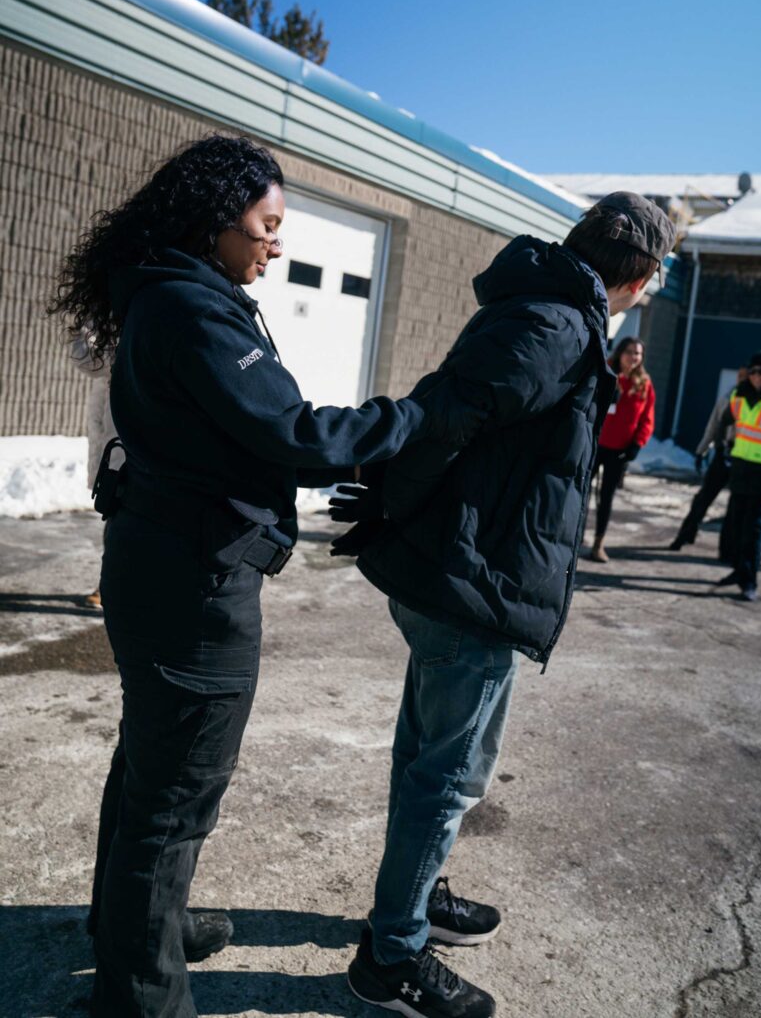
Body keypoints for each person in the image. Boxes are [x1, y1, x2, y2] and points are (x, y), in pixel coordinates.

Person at [48, 135, 483, 1018]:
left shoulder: (175, 294)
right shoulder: (191, 310)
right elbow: (296, 435)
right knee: (174, 799)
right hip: (193, 588)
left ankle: (134, 922)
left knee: (150, 764)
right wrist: (410, 417)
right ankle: (141, 995)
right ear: (217, 223)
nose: (276, 244)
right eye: (266, 225)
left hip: (163, 567)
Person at [329, 192, 676, 1018]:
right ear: (642, 272)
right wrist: (390, 499)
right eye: (657, 273)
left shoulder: (551, 311)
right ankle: (394, 954)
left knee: (432, 763)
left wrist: (395, 504)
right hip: (473, 583)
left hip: (463, 574)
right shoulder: (558, 326)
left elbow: (466, 418)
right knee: (446, 774)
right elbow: (449, 415)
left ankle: (413, 898)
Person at [589, 336, 655, 562]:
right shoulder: (607, 373)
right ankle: (573, 537)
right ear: (620, 353)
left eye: (638, 353)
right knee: (581, 492)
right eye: (629, 352)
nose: (633, 357)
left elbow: (647, 419)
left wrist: (637, 444)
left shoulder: (644, 384)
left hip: (619, 450)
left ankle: (599, 543)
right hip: (595, 444)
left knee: (606, 497)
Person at [668, 368, 746, 559]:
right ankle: (685, 534)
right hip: (722, 454)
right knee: (703, 498)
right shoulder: (728, 398)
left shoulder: (759, 403)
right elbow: (713, 425)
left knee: (735, 507)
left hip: (742, 458)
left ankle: (727, 549)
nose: (743, 379)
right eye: (741, 376)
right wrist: (701, 450)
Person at [711, 351, 761, 601]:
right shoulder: (739, 396)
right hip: (741, 469)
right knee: (736, 525)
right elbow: (725, 423)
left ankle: (749, 582)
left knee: (754, 530)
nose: (757, 376)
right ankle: (738, 571)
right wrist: (724, 448)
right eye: (754, 371)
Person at [71, 331, 118, 609]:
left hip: (134, 445)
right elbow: (89, 360)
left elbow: (93, 360)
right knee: (113, 515)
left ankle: (112, 584)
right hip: (110, 443)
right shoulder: (111, 311)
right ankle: (109, 583)